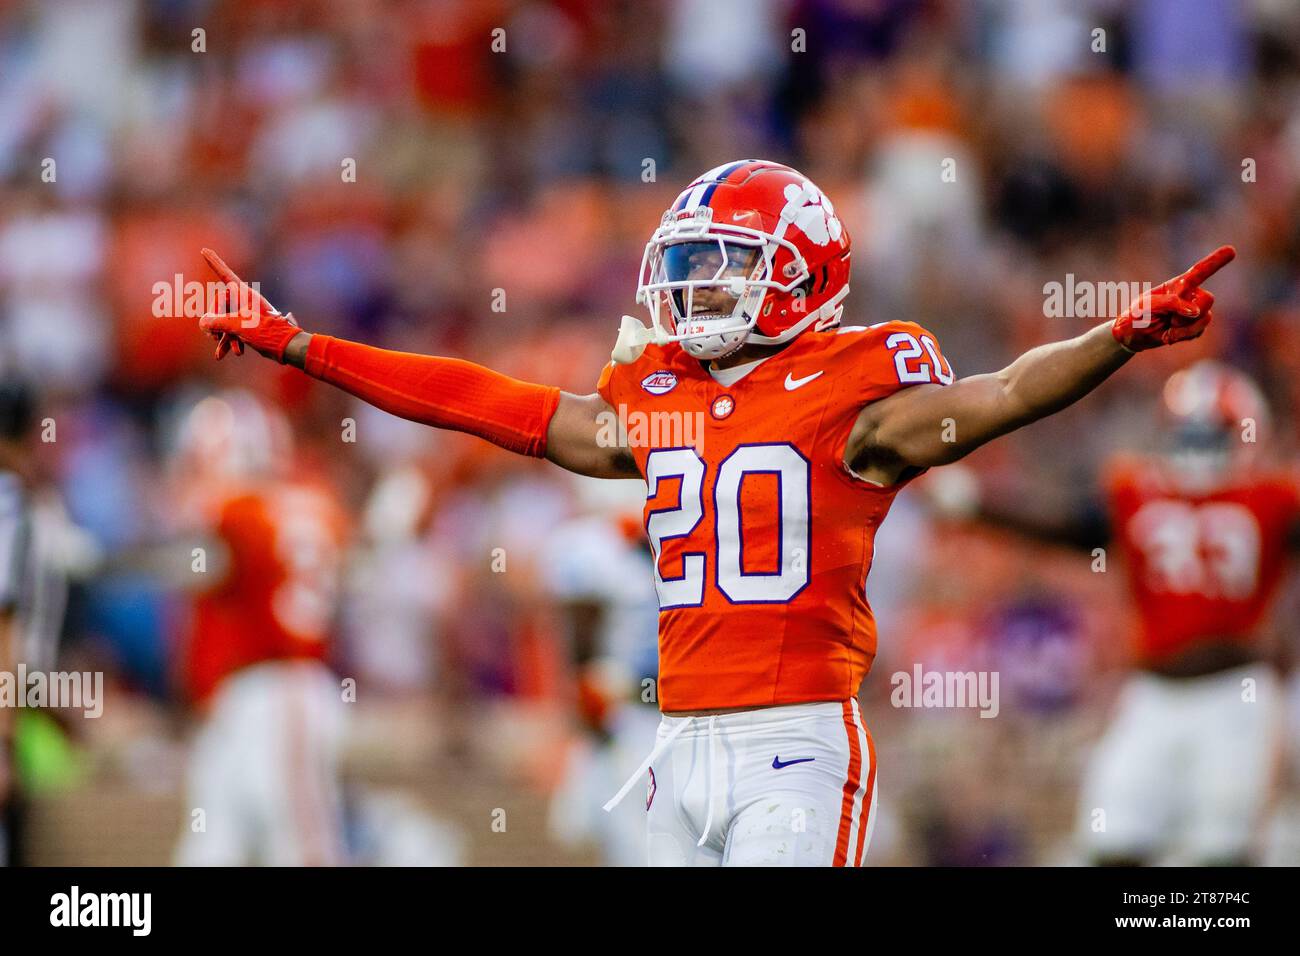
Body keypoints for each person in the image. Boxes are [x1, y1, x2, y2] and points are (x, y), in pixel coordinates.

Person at [195, 158, 1234, 866]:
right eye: (687, 263)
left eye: (724, 262)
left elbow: (1004, 392)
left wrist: (1119, 335)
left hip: (793, 739)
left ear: (801, 269)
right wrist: (303, 344)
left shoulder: (855, 392)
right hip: (669, 746)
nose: (696, 284)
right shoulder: (657, 394)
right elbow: (483, 401)